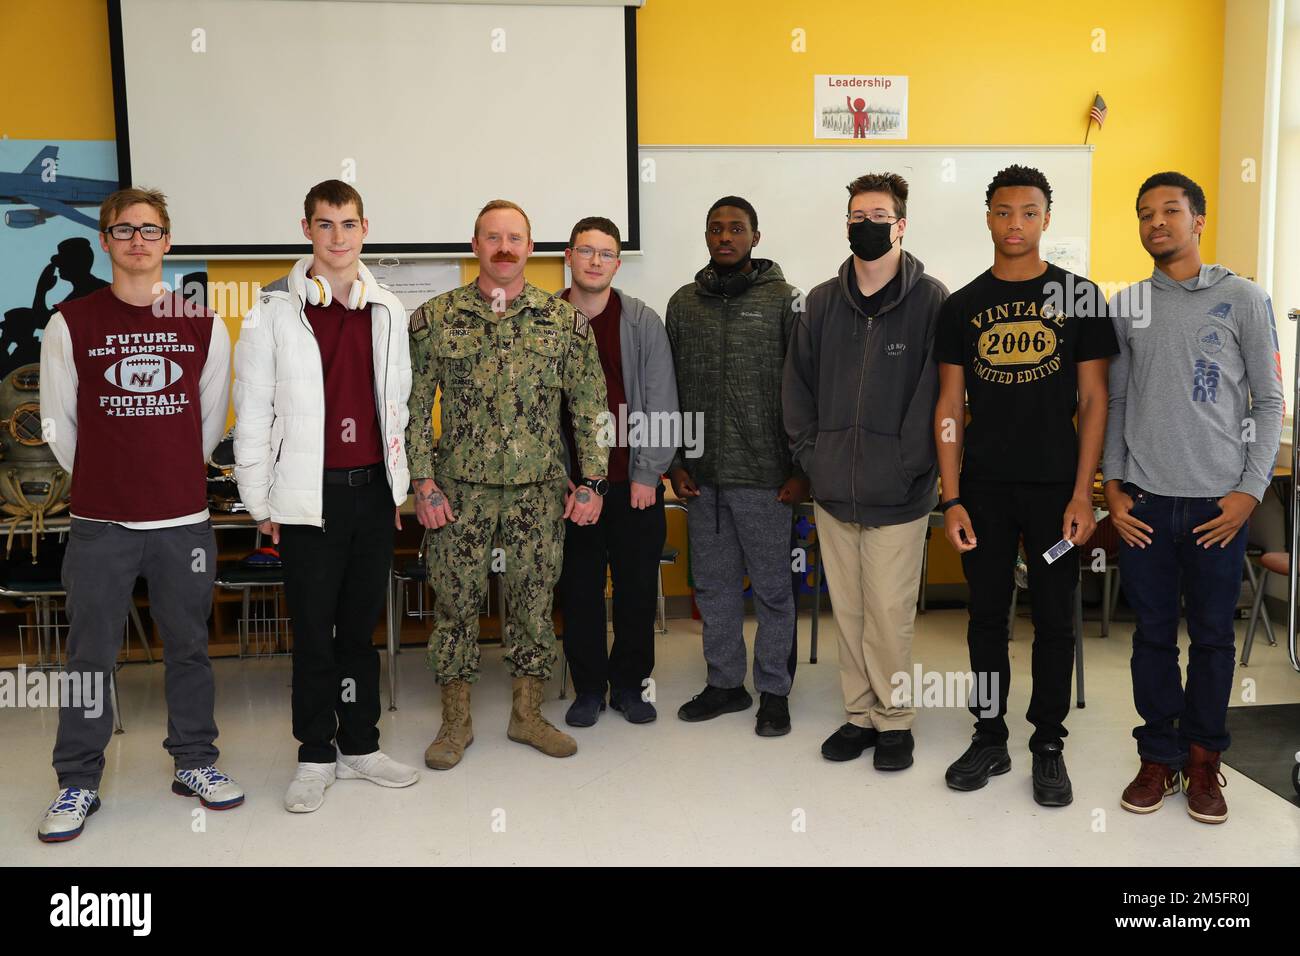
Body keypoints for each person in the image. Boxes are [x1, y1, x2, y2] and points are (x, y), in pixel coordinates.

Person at [37, 187, 238, 842]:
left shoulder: (203, 324)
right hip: (100, 521)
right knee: (90, 654)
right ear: (105, 240)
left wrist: (164, 474)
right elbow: (59, 427)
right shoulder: (71, 323)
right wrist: (110, 479)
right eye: (124, 230)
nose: (137, 241)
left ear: (167, 242)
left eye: (150, 231)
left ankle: (194, 762)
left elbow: (207, 427)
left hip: (182, 519)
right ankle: (77, 780)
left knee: (189, 647)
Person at [933, 165, 1117, 807]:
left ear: (1046, 218)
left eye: (1029, 212)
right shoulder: (961, 305)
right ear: (988, 218)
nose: (1016, 224)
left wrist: (1082, 492)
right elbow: (950, 406)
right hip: (981, 492)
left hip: (1054, 495)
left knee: (1054, 619)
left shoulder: (1081, 298)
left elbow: (1094, 401)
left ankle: (1047, 742)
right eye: (1004, 212)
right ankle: (988, 734)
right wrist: (952, 496)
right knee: (985, 618)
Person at [233, 179, 419, 813]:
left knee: (358, 634)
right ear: (306, 229)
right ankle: (315, 752)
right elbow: (252, 413)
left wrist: (396, 488)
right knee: (314, 633)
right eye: (324, 224)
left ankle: (360, 745)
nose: (337, 237)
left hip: (372, 496)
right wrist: (262, 505)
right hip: (306, 502)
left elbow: (398, 408)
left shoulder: (389, 309)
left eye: (348, 224)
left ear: (364, 229)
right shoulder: (272, 311)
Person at [1106, 171, 1283, 824]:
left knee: (1212, 639)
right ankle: (1159, 757)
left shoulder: (1244, 299)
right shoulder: (1126, 307)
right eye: (1145, 212)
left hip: (1217, 509)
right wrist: (1113, 487)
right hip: (1147, 506)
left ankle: (1205, 759)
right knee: (1151, 637)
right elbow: (1118, 402)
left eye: (1171, 211)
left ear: (1198, 221)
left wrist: (1247, 494)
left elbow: (1267, 402)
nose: (1157, 222)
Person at [407, 199, 608, 768]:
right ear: (475, 245)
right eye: (492, 237)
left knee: (534, 603)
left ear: (530, 248)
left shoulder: (563, 321)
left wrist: (593, 480)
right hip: (458, 492)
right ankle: (455, 722)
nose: (503, 246)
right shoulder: (436, 319)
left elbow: (592, 405)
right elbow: (414, 409)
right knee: (455, 605)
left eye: (514, 237)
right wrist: (422, 483)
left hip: (539, 492)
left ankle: (527, 715)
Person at [784, 172, 947, 771]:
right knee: (847, 611)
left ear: (900, 225)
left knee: (887, 612)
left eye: (878, 216)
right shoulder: (822, 301)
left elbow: (938, 396)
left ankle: (894, 720)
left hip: (899, 494)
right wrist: (811, 455)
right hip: (833, 490)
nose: (865, 225)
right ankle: (858, 716)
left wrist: (909, 464)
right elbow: (796, 387)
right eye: (857, 215)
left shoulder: (933, 300)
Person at [667, 196, 808, 736]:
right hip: (702, 481)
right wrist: (677, 460)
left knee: (773, 590)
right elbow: (668, 390)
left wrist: (802, 469)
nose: (725, 236)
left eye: (736, 228)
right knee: (714, 589)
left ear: (755, 236)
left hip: (767, 478)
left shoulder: (786, 303)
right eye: (716, 228)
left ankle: (774, 690)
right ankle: (725, 684)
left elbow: (804, 390)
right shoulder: (683, 304)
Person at [556, 216, 679, 727]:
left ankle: (630, 685)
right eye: (586, 251)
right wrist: (558, 478)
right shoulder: (545, 318)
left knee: (634, 591)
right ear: (568, 255)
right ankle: (587, 689)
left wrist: (650, 473)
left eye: (605, 253)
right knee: (578, 590)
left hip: (634, 485)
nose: (595, 261)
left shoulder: (641, 321)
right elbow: (534, 408)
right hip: (571, 488)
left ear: (617, 263)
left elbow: (661, 399)